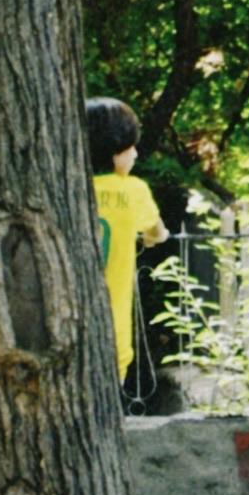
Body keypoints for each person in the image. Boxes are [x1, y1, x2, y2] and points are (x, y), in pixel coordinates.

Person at [86, 98, 167, 388]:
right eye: (128, 146)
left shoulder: (69, 187)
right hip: (112, 336)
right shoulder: (133, 190)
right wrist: (150, 237)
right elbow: (158, 232)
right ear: (113, 149)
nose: (135, 153)